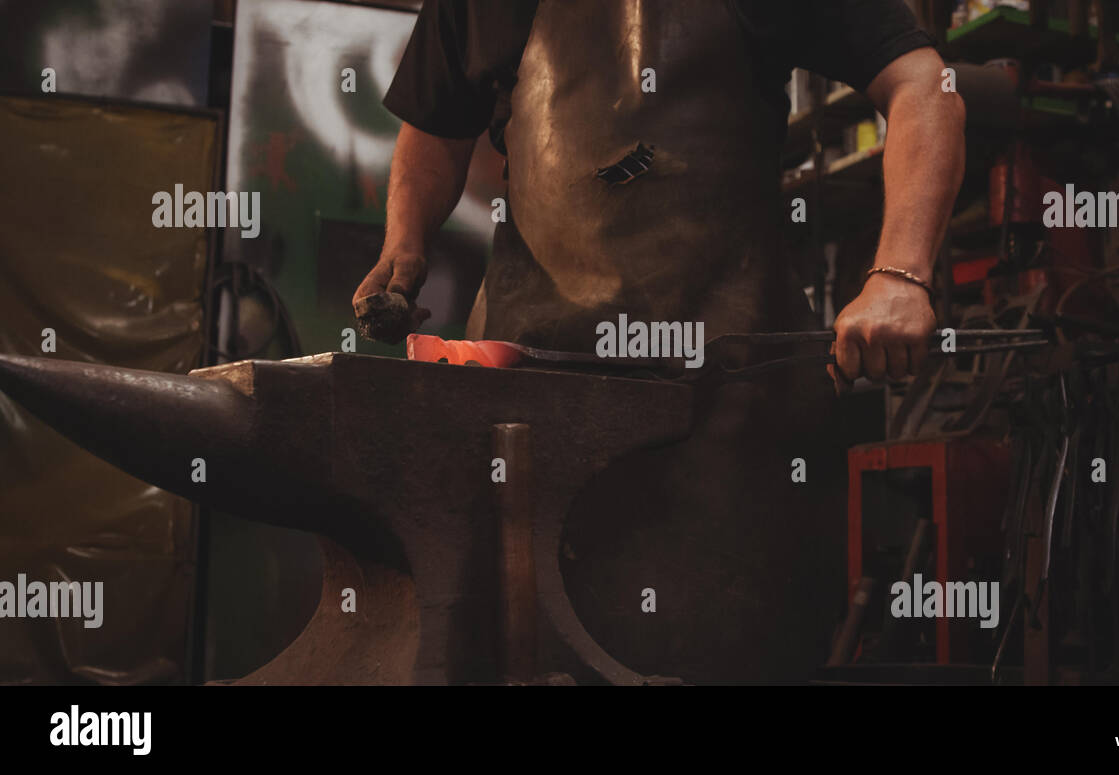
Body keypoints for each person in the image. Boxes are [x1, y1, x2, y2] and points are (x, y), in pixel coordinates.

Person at [355, 0, 965, 683]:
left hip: (728, 415)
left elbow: (925, 86)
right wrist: (403, 247)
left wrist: (899, 275)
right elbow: (436, 130)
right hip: (528, 412)